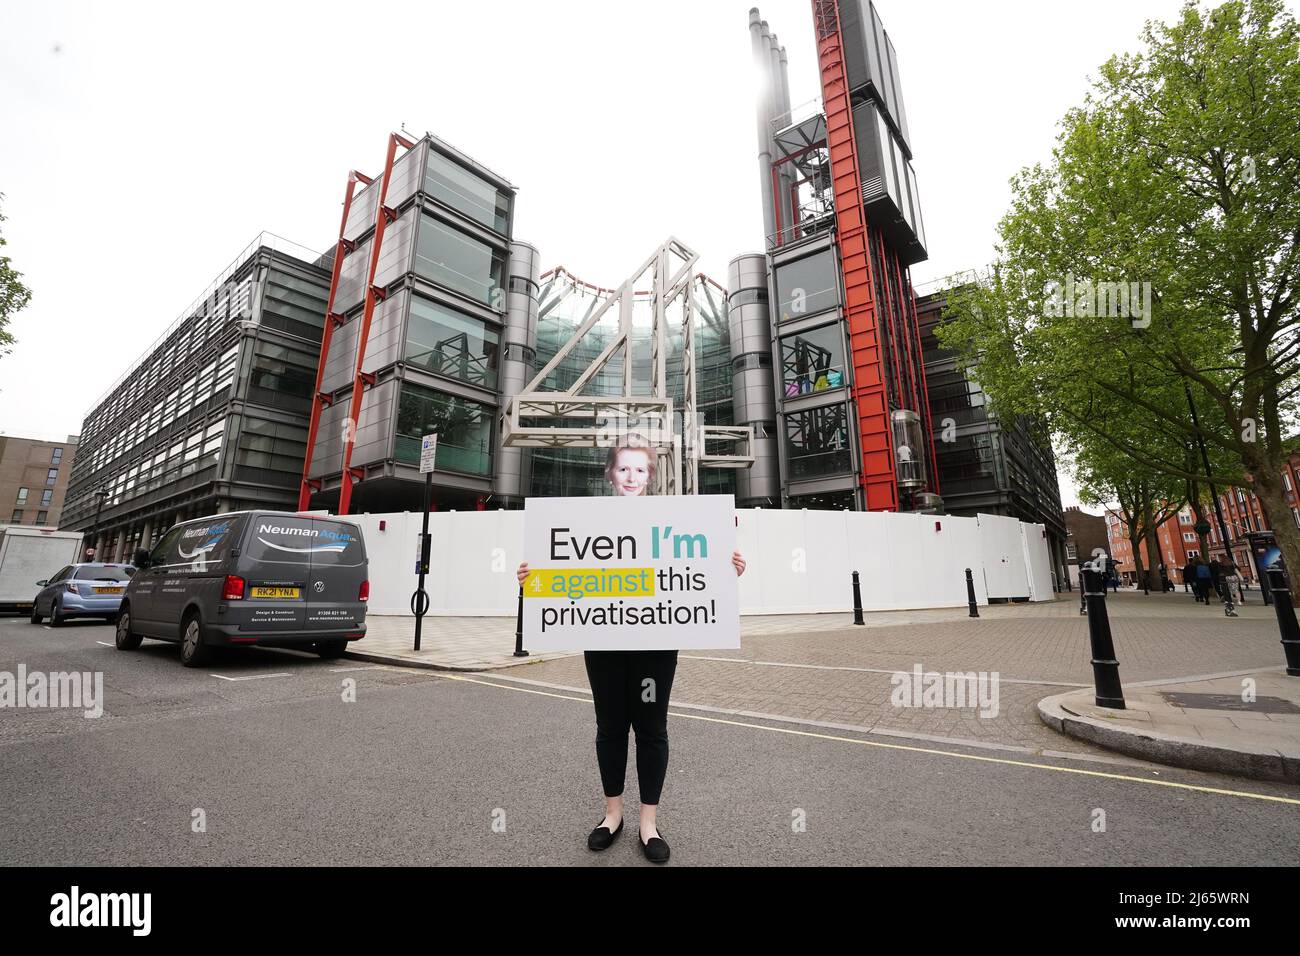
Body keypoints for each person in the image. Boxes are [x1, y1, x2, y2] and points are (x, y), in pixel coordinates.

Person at [516, 433, 746, 863]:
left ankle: (648, 823)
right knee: (610, 727)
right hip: (603, 641)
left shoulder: (677, 520)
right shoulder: (583, 520)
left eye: (640, 469)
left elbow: (701, 576)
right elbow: (560, 576)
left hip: (656, 646)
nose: (631, 476)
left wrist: (730, 567)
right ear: (609, 474)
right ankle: (612, 816)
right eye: (623, 468)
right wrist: (533, 577)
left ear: (651, 476)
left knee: (652, 729)